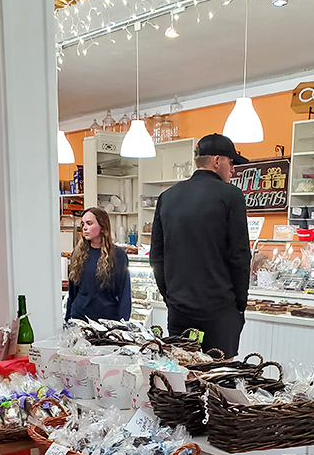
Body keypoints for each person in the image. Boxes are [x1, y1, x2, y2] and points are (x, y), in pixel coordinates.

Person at [149, 133, 251, 358]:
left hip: (180, 308)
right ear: (217, 161)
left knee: (182, 376)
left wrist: (170, 298)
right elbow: (240, 256)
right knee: (219, 378)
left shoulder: (167, 197)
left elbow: (156, 256)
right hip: (220, 310)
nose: (232, 170)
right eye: (231, 162)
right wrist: (239, 304)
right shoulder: (231, 196)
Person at [65, 207, 131, 321]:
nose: (85, 228)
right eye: (83, 224)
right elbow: (72, 292)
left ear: (102, 226)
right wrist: (67, 320)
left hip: (107, 319)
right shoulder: (78, 254)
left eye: (89, 223)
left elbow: (124, 293)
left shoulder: (118, 255)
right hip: (79, 317)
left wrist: (123, 323)